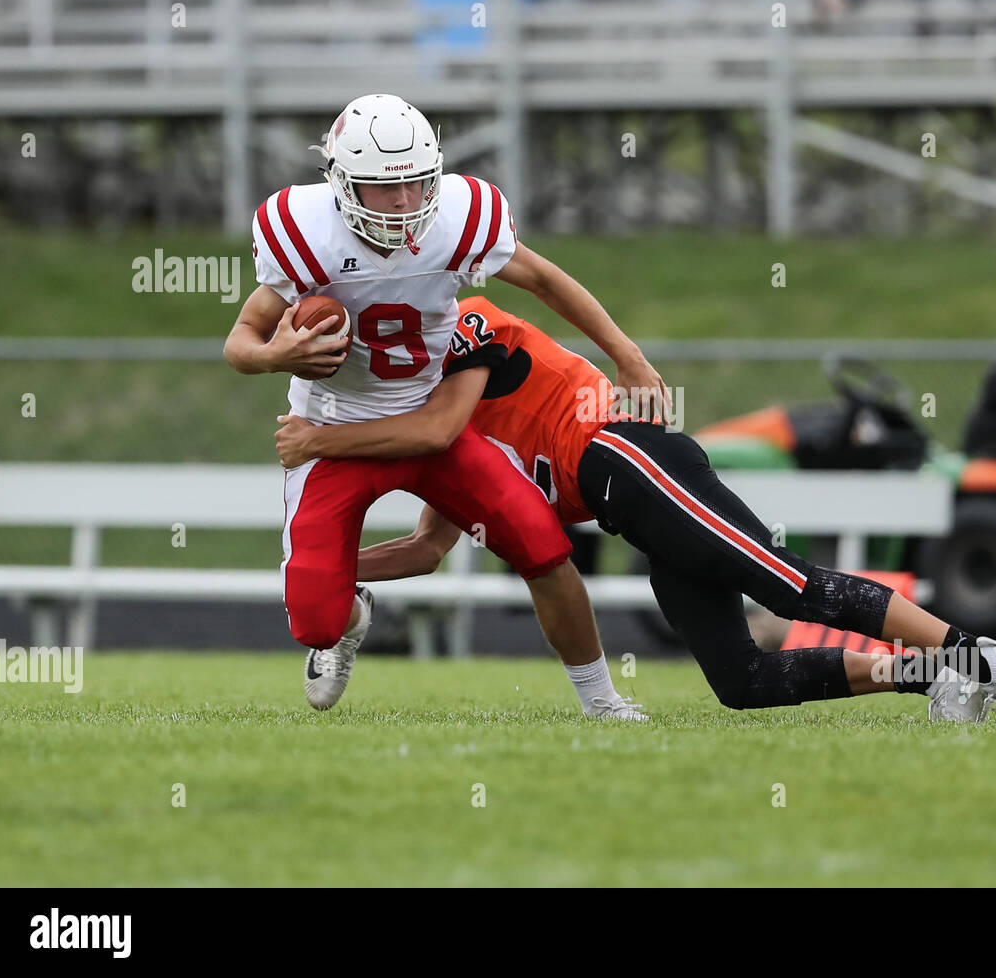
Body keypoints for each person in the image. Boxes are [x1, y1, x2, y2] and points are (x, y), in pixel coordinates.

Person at [275, 296, 996, 723]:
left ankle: (984, 656)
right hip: (632, 511)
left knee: (790, 585)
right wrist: (327, 574)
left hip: (629, 458)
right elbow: (425, 549)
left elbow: (441, 419)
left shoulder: (455, 334)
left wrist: (325, 438)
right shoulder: (441, 434)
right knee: (741, 680)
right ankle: (940, 678)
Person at [223, 93, 668, 719]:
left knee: (543, 547)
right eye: (385, 188)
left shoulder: (460, 217)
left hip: (433, 416)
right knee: (315, 621)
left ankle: (601, 701)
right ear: (342, 184)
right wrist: (276, 358)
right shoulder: (304, 232)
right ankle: (349, 616)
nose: (405, 203)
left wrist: (626, 353)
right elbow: (239, 343)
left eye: (415, 183)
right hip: (334, 424)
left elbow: (543, 279)